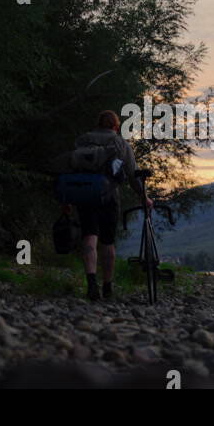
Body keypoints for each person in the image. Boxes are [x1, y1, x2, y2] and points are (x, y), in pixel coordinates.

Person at [66, 110, 151, 301]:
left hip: (84, 193)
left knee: (89, 236)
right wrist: (144, 197)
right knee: (108, 242)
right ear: (116, 126)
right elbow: (132, 174)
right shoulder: (121, 143)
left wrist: (68, 199)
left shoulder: (82, 140)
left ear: (98, 124)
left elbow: (70, 168)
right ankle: (107, 287)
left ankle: (91, 285)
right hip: (109, 196)